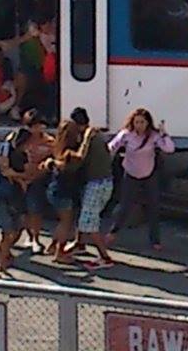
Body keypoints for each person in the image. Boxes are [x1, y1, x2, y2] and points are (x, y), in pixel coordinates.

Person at [106, 109, 175, 252]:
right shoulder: (126, 135)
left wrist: (164, 134)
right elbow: (112, 146)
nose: (139, 125)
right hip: (131, 174)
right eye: (137, 122)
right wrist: (108, 155)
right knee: (125, 206)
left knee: (153, 207)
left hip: (149, 174)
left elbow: (169, 149)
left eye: (142, 122)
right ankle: (113, 232)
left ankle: (155, 240)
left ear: (148, 123)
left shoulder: (153, 136)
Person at [67, 107, 116, 269]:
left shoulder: (90, 137)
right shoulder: (96, 135)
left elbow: (80, 157)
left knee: (89, 222)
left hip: (97, 183)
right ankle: (79, 243)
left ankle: (104, 257)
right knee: (86, 214)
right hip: (102, 182)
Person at [0, 125, 30, 278]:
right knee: (6, 233)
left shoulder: (23, 154)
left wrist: (17, 177)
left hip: (17, 196)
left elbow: (26, 172)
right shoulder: (5, 151)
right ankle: (1, 268)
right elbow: (4, 170)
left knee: (19, 228)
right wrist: (19, 178)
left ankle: (6, 252)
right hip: (3, 196)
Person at [42, 119, 84, 264]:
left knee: (62, 221)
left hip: (54, 188)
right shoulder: (71, 151)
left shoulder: (57, 147)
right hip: (64, 191)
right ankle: (60, 252)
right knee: (66, 223)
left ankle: (53, 246)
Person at [20, 110, 54, 254]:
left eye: (39, 125)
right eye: (32, 126)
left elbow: (54, 158)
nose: (35, 129)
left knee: (35, 210)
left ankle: (36, 239)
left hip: (37, 181)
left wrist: (46, 165)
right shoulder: (20, 139)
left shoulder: (49, 141)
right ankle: (28, 235)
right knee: (22, 211)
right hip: (20, 180)